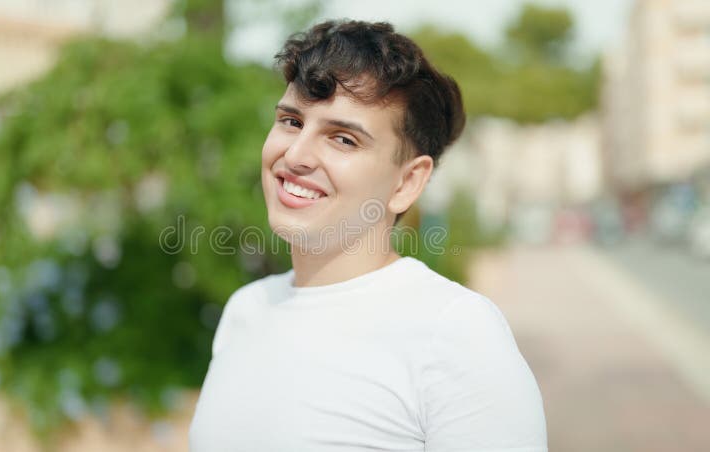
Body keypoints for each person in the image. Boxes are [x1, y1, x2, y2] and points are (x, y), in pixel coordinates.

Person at [189, 19, 547, 451]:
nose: (296, 155)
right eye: (290, 121)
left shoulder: (456, 334)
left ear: (407, 183)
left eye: (342, 139)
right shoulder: (246, 311)